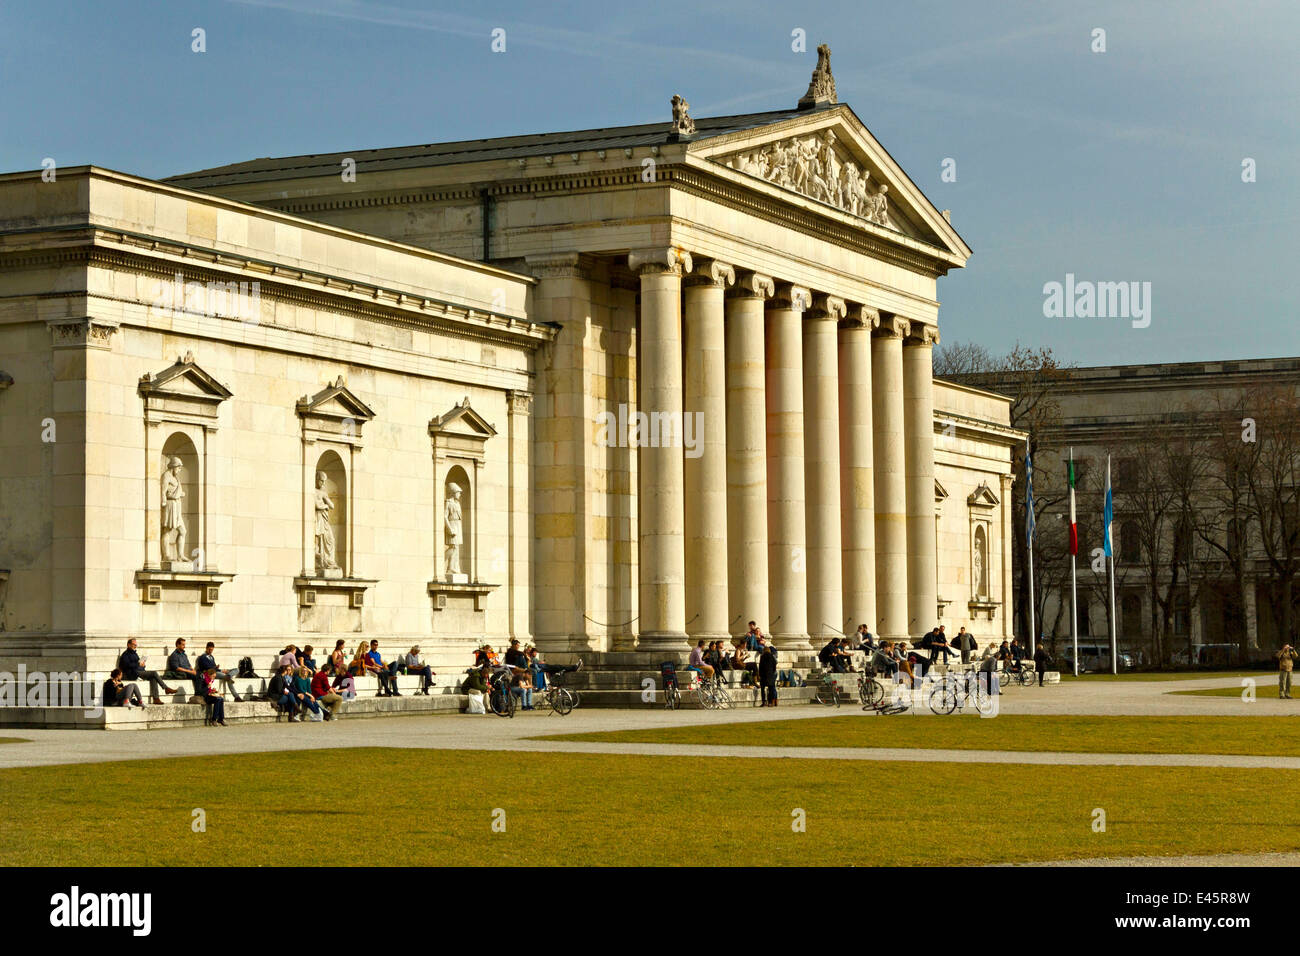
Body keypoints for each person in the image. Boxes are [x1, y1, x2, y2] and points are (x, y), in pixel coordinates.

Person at [118, 638, 179, 705]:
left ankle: (156, 699)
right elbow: (126, 665)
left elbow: (138, 664)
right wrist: (138, 664)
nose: (135, 646)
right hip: (132, 673)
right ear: (128, 645)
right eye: (133, 644)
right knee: (154, 673)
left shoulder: (135, 654)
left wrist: (142, 665)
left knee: (153, 677)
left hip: (139, 671)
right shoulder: (125, 654)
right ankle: (166, 688)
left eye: (136, 645)